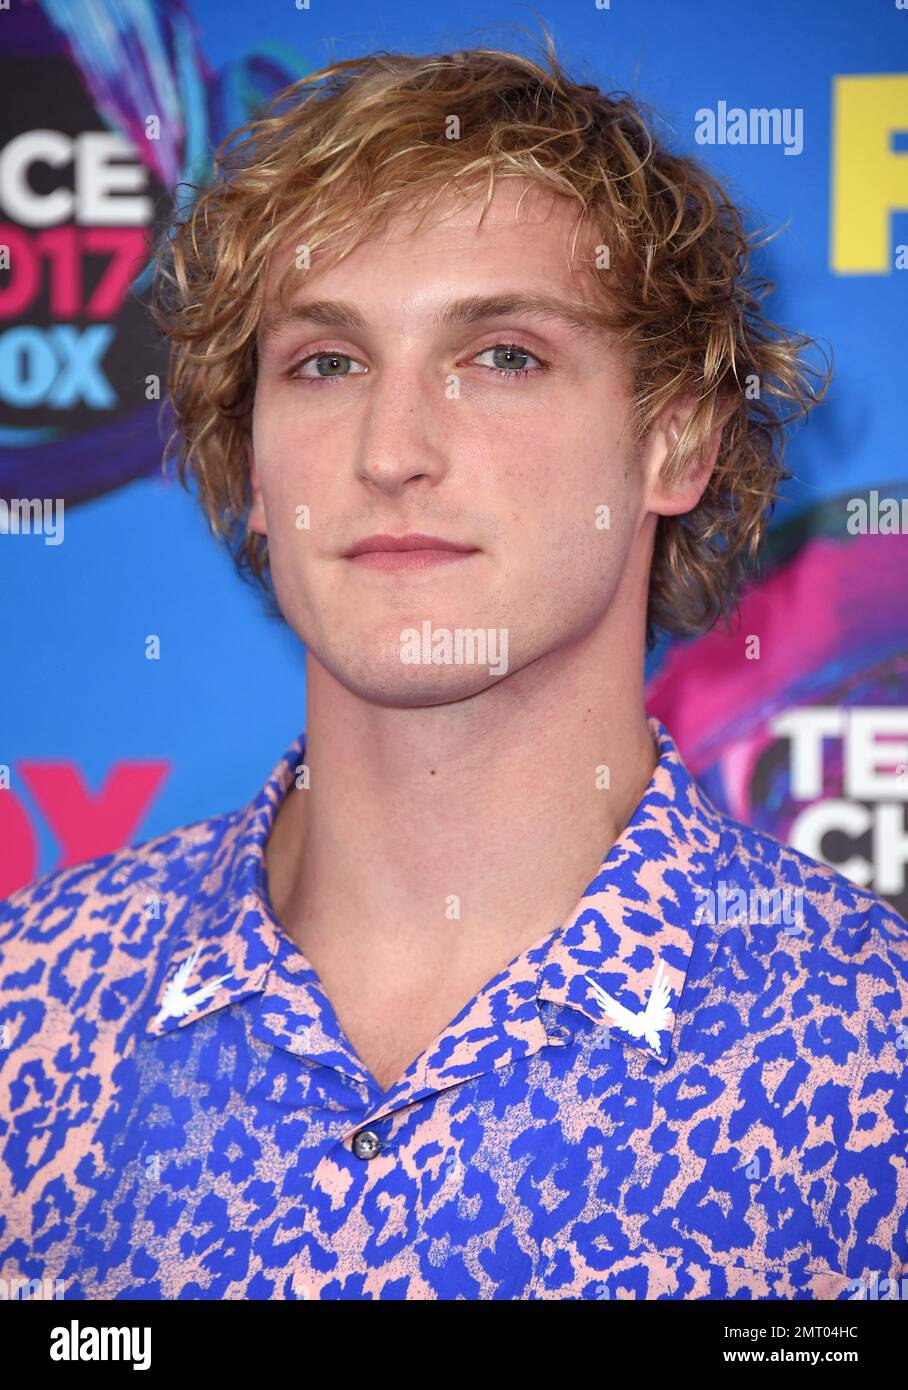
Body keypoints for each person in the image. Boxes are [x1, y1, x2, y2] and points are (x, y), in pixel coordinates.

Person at [1, 41, 905, 1302]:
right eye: (326, 362)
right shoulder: (30, 1005)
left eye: (503, 356)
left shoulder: (871, 1058)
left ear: (674, 441)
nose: (393, 449)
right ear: (256, 470)